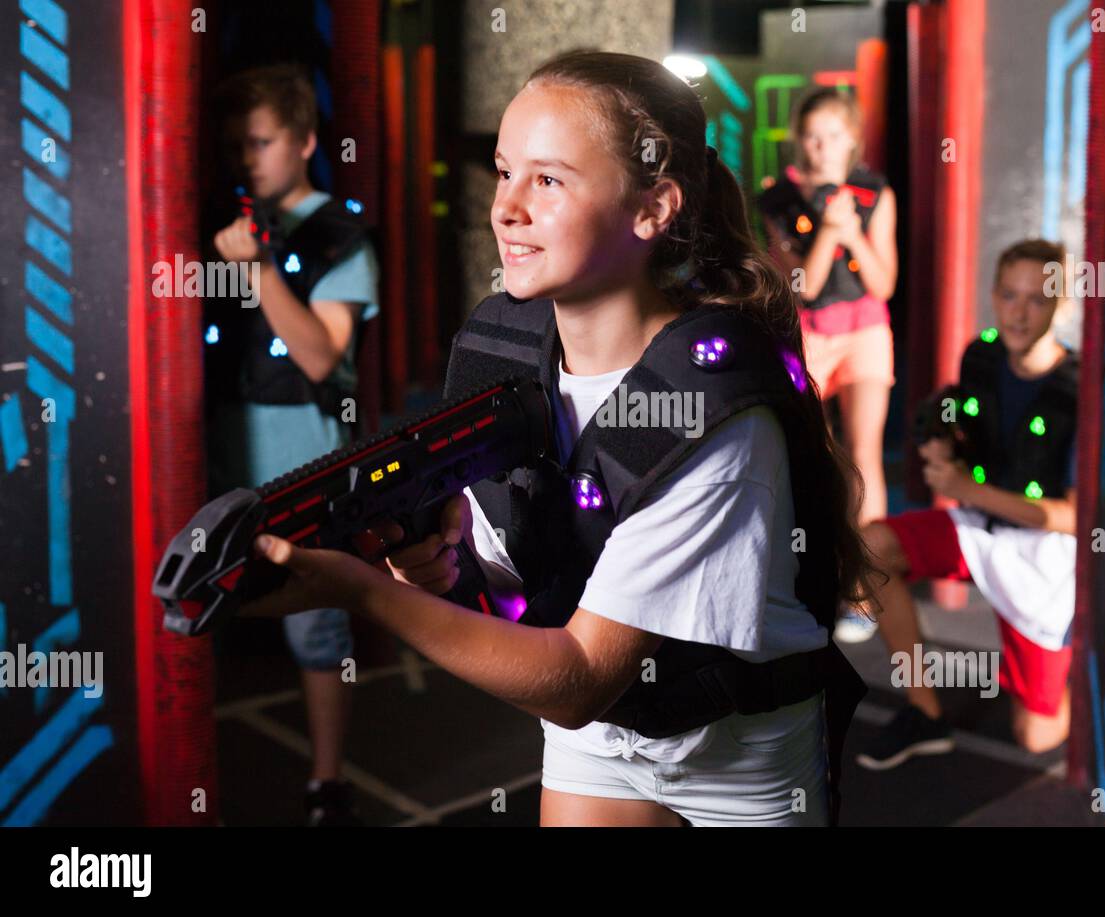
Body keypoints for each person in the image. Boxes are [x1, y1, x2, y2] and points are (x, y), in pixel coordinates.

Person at [240, 50, 882, 827]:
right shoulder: (499, 351)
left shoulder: (710, 411)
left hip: (738, 749)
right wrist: (439, 572)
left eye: (548, 180)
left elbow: (578, 675)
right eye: (506, 172)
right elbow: (518, 591)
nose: (505, 206)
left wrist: (358, 588)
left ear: (653, 207)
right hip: (603, 735)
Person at [205, 64, 380, 825]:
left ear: (305, 140)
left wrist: (261, 270)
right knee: (203, 599)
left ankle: (327, 782)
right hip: (226, 447)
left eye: (262, 141)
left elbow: (318, 355)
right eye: (236, 145)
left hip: (305, 454)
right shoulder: (225, 227)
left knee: (317, 621)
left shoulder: (341, 236)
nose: (247, 158)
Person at [855, 239, 1078, 770]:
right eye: (1009, 296)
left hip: (1043, 554)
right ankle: (924, 712)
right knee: (870, 548)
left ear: (1060, 305)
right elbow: (968, 431)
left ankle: (1080, 672)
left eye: (1036, 299)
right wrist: (942, 442)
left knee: (1037, 737)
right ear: (995, 297)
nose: (1020, 312)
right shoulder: (981, 355)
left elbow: (1071, 518)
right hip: (978, 526)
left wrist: (967, 488)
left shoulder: (1077, 387)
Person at [757, 88, 898, 644]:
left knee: (864, 452)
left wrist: (853, 229)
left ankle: (863, 590)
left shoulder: (876, 192)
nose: (821, 146)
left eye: (833, 135)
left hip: (864, 328)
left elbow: (884, 282)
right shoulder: (777, 199)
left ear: (852, 139)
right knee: (812, 455)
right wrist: (831, 232)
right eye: (811, 135)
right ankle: (806, 580)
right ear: (799, 139)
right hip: (809, 335)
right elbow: (804, 286)